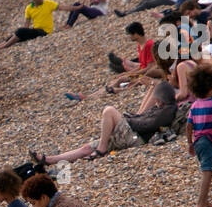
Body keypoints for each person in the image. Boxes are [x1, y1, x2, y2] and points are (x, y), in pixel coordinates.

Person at [31, 62, 177, 165]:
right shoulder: (162, 108)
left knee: (109, 110)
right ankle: (49, 159)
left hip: (135, 137)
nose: (155, 100)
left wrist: (128, 119)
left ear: (162, 97)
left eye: (156, 97)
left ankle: (101, 149)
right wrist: (131, 118)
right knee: (86, 148)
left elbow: (146, 125)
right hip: (130, 133)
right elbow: (143, 119)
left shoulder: (166, 111)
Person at [0, 0, 72, 55]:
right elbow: (26, 24)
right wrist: (21, 32)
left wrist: (76, 8)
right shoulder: (29, 8)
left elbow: (63, 7)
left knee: (20, 32)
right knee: (15, 34)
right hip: (36, 30)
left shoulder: (48, 3)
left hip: (45, 32)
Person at [187, 63, 212, 207]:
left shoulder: (195, 105)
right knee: (208, 171)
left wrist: (190, 143)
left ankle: (205, 200)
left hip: (197, 141)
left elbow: (188, 126)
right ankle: (201, 203)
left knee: (206, 169)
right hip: (209, 141)